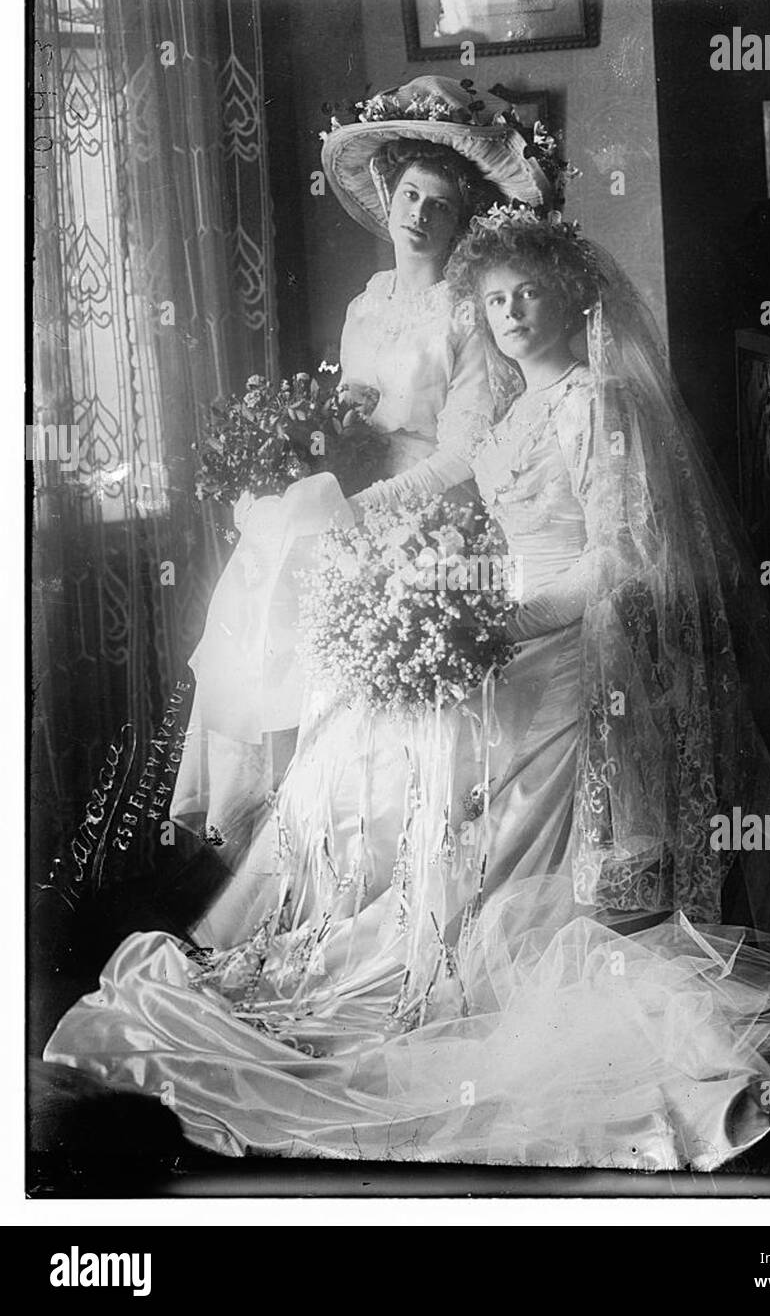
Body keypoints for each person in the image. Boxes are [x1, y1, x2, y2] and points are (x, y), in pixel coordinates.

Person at [44, 207, 770, 1171]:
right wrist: (365, 549)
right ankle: (354, 937)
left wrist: (502, 625)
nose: (509, 314)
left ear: (571, 294)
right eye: (494, 300)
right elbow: (460, 499)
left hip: (574, 642)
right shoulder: (515, 408)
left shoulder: (595, 403)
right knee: (363, 712)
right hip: (504, 617)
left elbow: (622, 564)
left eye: (527, 293)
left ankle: (439, 962)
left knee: (418, 728)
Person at [171, 76, 554, 895]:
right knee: (266, 594)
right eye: (410, 195)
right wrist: (305, 456)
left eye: (440, 206)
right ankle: (290, 867)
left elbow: (462, 460)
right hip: (350, 507)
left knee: (370, 697)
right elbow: (350, 427)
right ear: (387, 198)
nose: (418, 215)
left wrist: (356, 513)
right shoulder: (366, 302)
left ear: (461, 223)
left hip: (430, 521)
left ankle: (376, 884)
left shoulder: (468, 311)